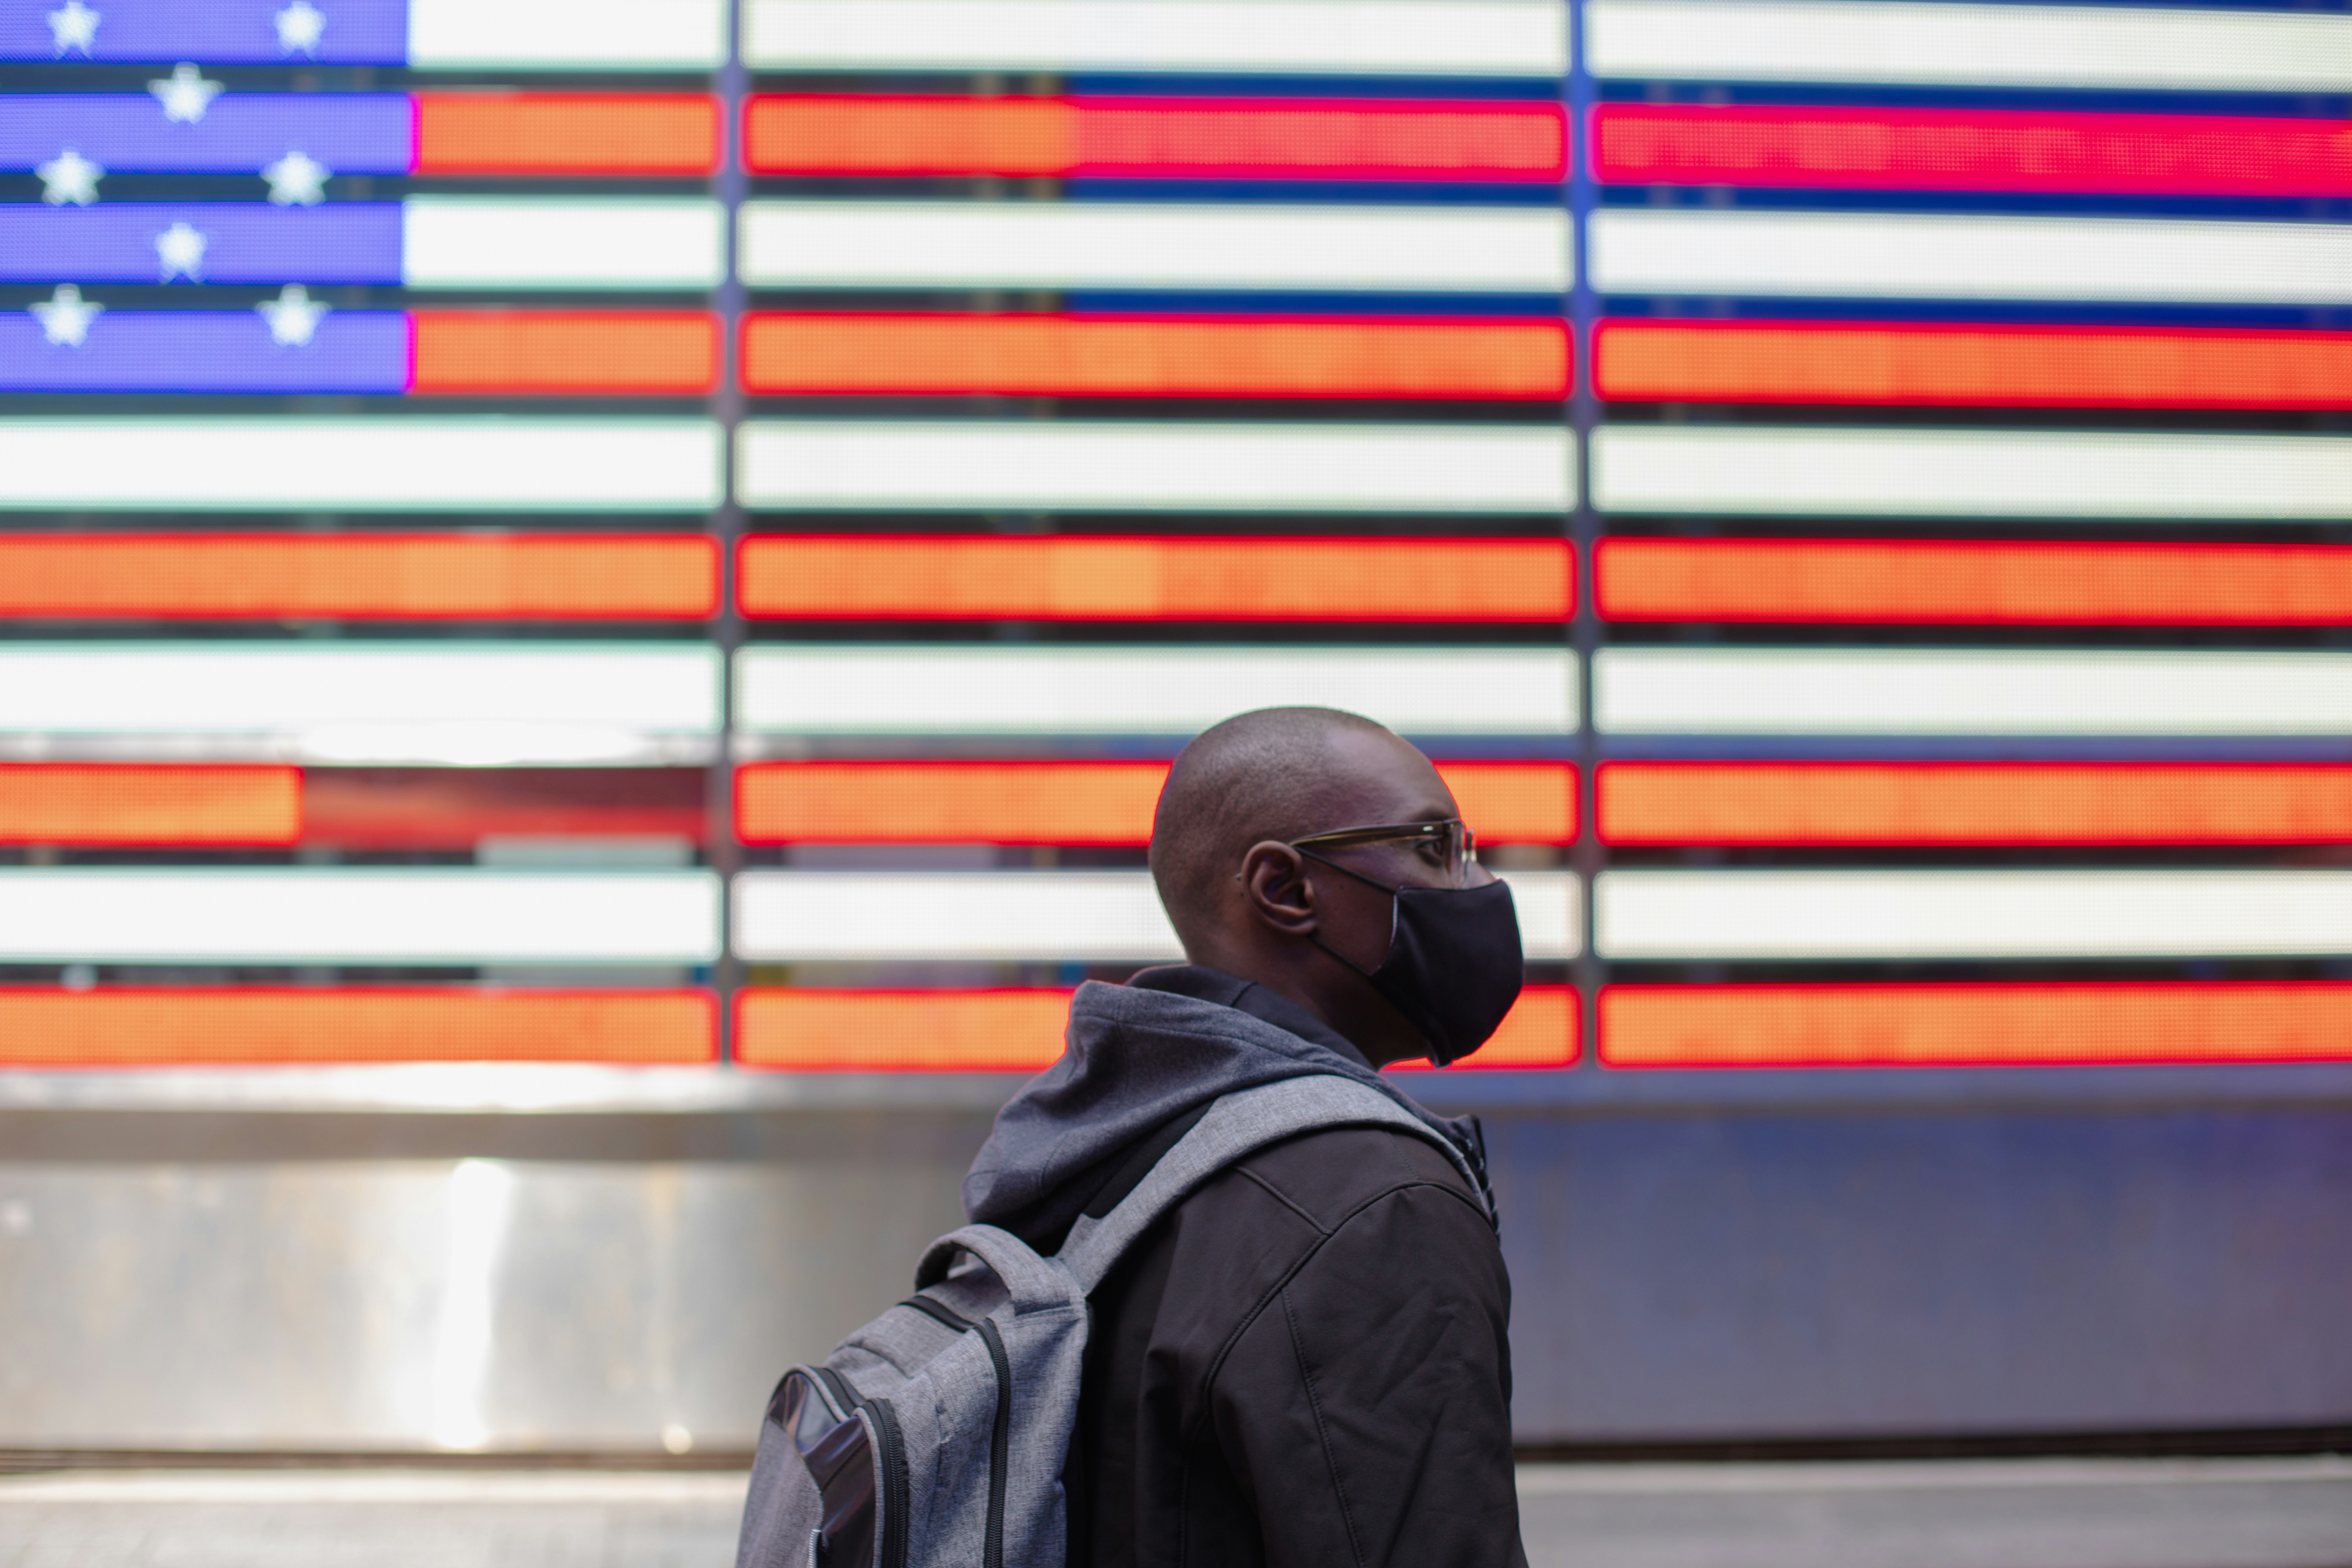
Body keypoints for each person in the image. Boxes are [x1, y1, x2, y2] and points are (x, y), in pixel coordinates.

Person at [962, 706, 1529, 1567]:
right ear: (1287, 889)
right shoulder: (1378, 1204)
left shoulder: (1098, 1150)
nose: (1477, 884)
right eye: (1434, 846)